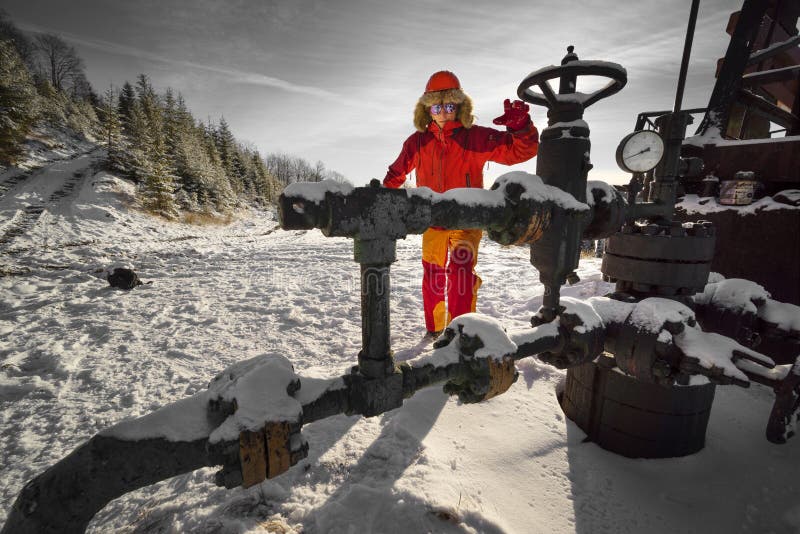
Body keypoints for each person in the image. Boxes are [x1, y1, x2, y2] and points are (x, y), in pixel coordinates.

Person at [383, 70, 539, 336]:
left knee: (460, 272)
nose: (443, 112)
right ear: (427, 110)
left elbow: (519, 151)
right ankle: (435, 329)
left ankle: (460, 330)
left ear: (459, 107)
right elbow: (395, 174)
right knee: (433, 274)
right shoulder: (417, 142)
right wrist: (383, 200)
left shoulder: (475, 137)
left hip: (468, 219)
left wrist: (521, 128)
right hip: (431, 220)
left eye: (449, 105)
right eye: (436, 106)